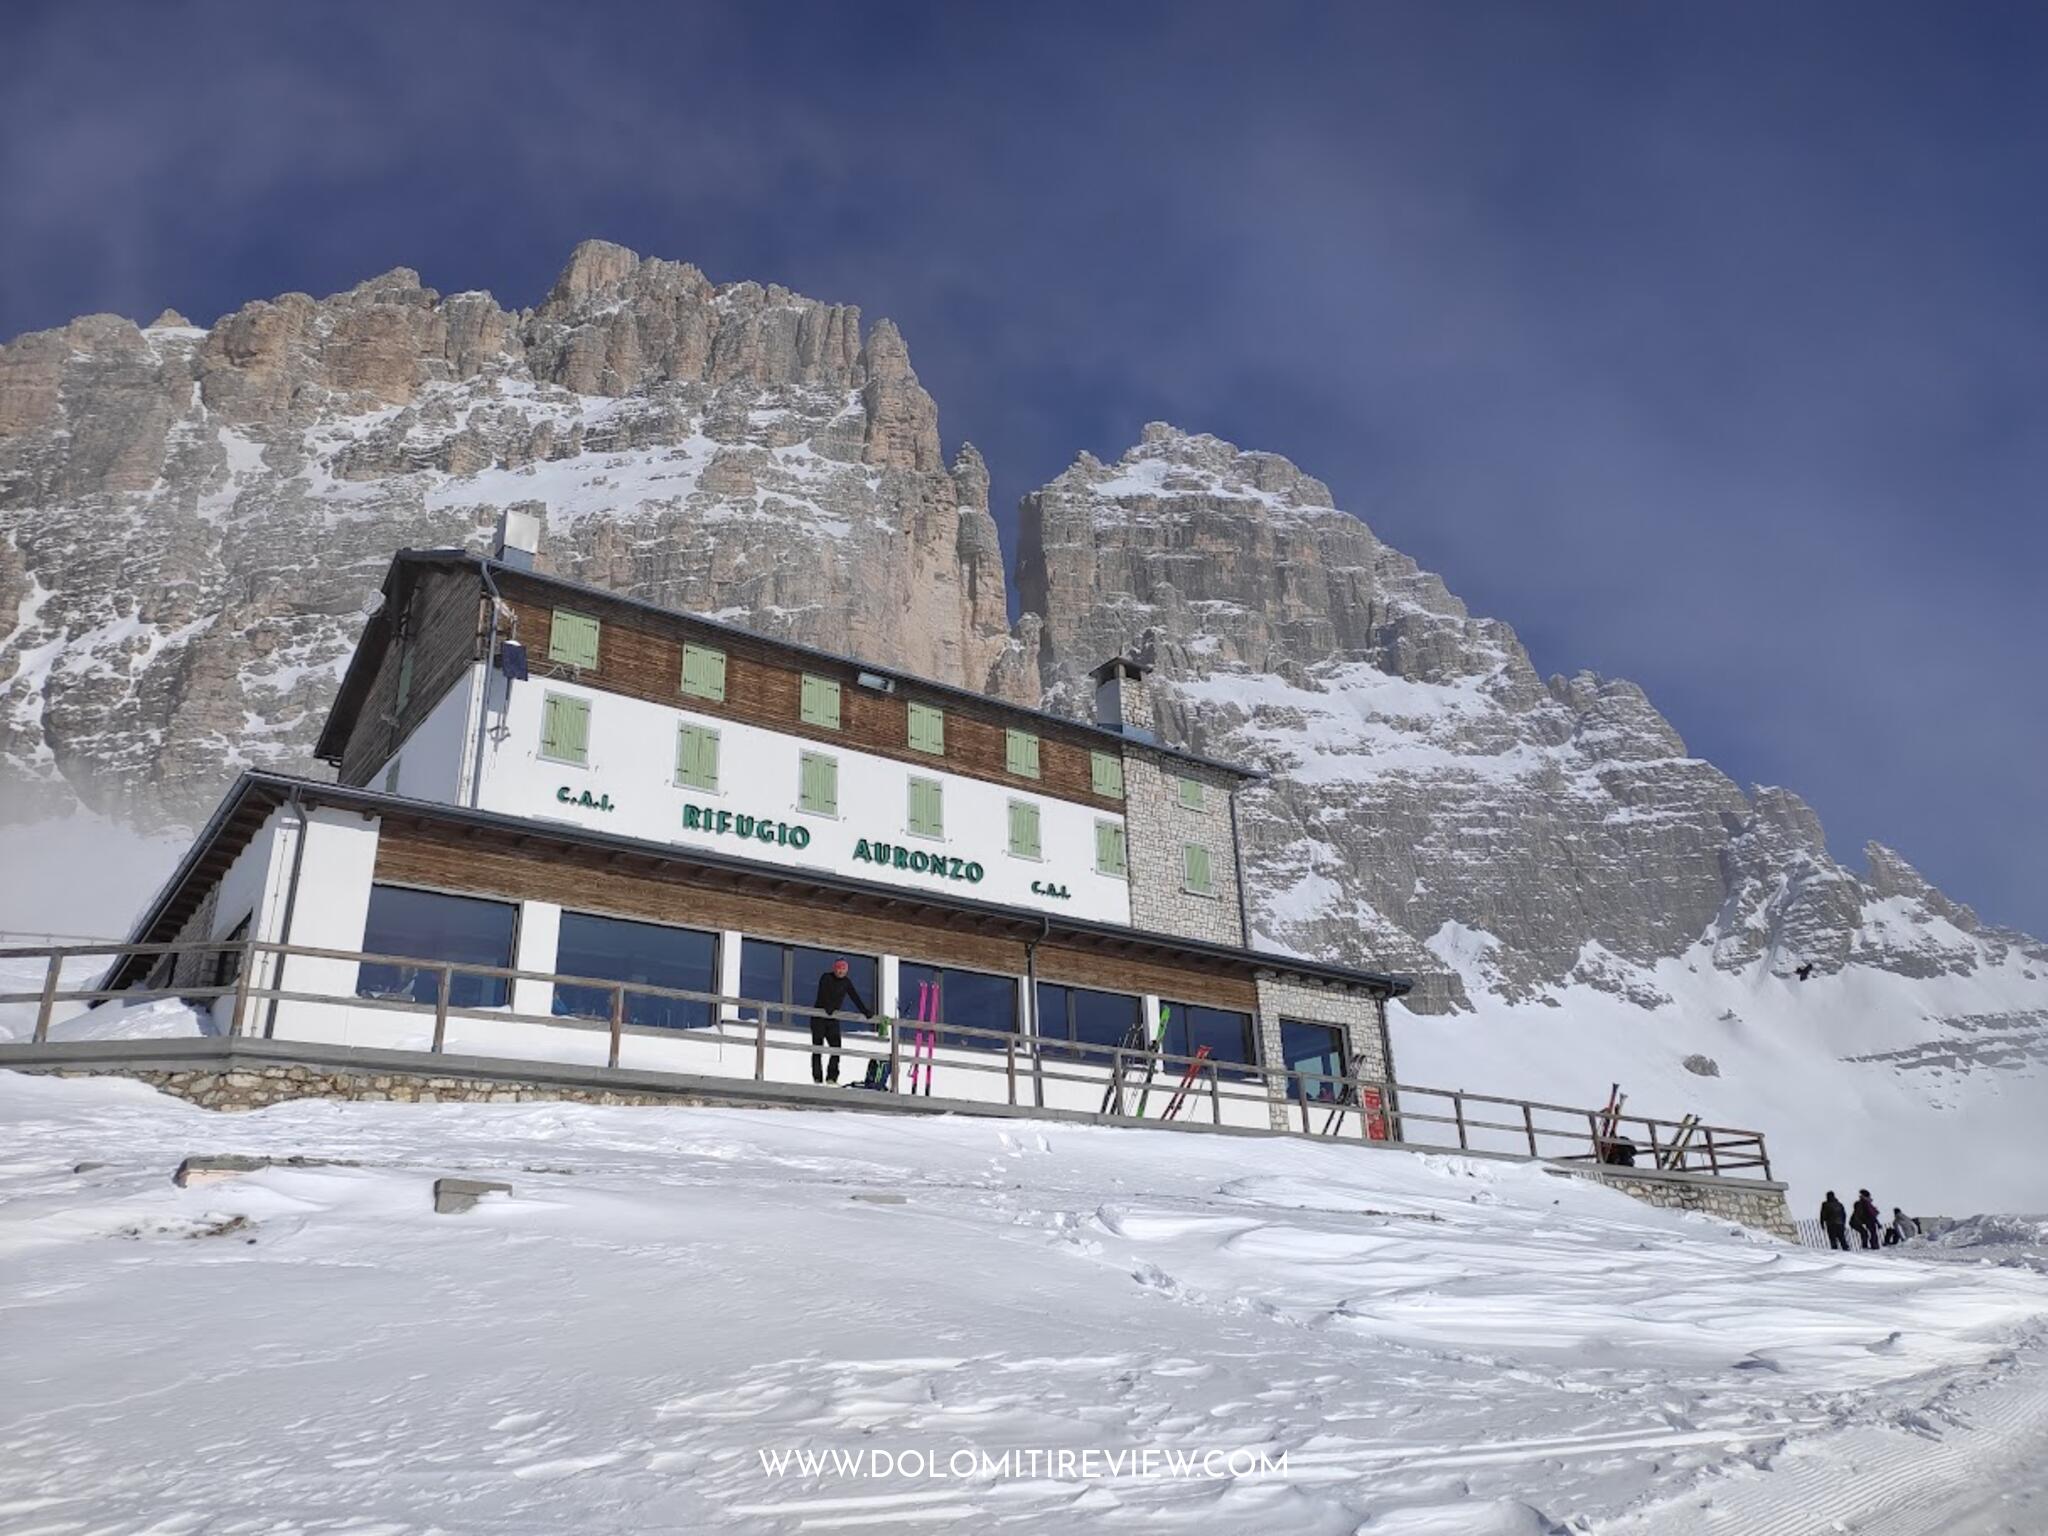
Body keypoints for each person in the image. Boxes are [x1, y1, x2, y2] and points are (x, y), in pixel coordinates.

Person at [809, 958, 871, 1085]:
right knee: (817, 1048)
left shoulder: (846, 982)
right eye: (839, 968)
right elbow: (823, 993)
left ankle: (832, 1077)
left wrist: (865, 1011)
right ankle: (817, 1078)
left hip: (832, 1019)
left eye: (843, 969)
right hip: (819, 1017)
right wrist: (828, 1006)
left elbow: (855, 997)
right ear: (834, 968)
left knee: (836, 1048)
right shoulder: (826, 977)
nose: (841, 971)